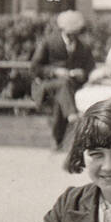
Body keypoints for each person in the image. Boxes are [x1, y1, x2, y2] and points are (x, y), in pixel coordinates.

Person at [31, 9, 96, 150]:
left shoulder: (83, 47)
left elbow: (90, 68)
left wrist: (82, 74)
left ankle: (58, 140)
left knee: (63, 95)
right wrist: (55, 71)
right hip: (47, 86)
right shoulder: (48, 42)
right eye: (70, 33)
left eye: (75, 33)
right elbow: (35, 68)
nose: (73, 37)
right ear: (63, 30)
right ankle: (72, 117)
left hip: (70, 89)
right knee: (64, 85)